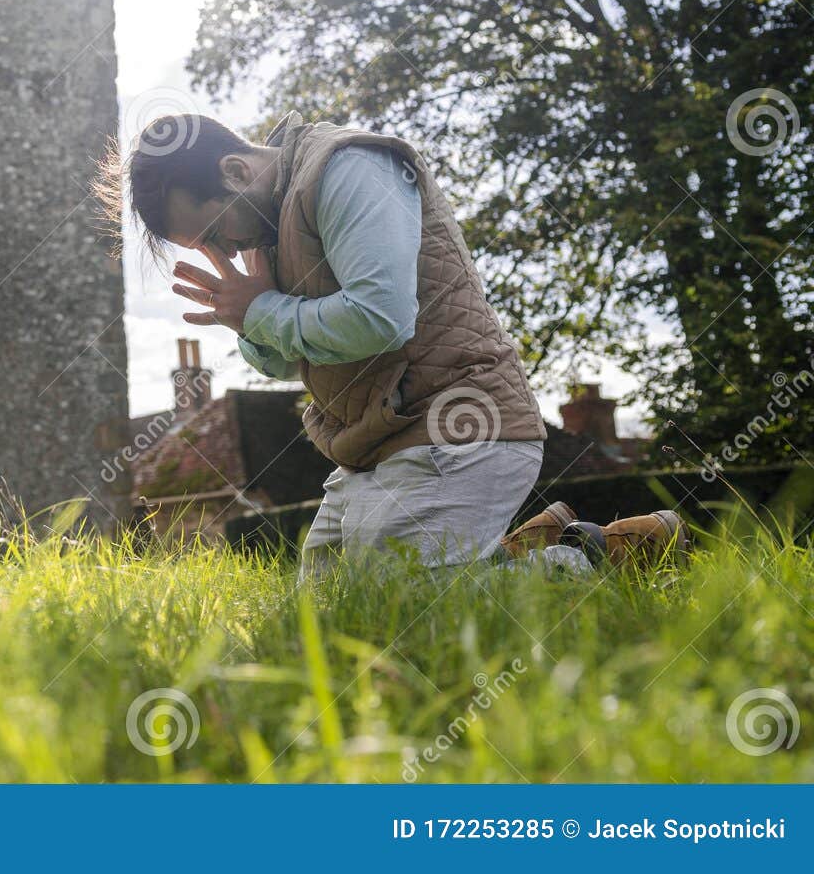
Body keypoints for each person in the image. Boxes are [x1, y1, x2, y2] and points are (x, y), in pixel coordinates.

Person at [96, 112, 688, 575]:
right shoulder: (265, 225)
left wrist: (262, 309)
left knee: (410, 603)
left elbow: (379, 319)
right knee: (331, 612)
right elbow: (287, 358)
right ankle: (518, 553)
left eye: (211, 232)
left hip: (459, 422)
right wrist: (246, 321)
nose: (217, 252)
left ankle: (598, 556)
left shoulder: (350, 167)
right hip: (372, 443)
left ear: (234, 171)